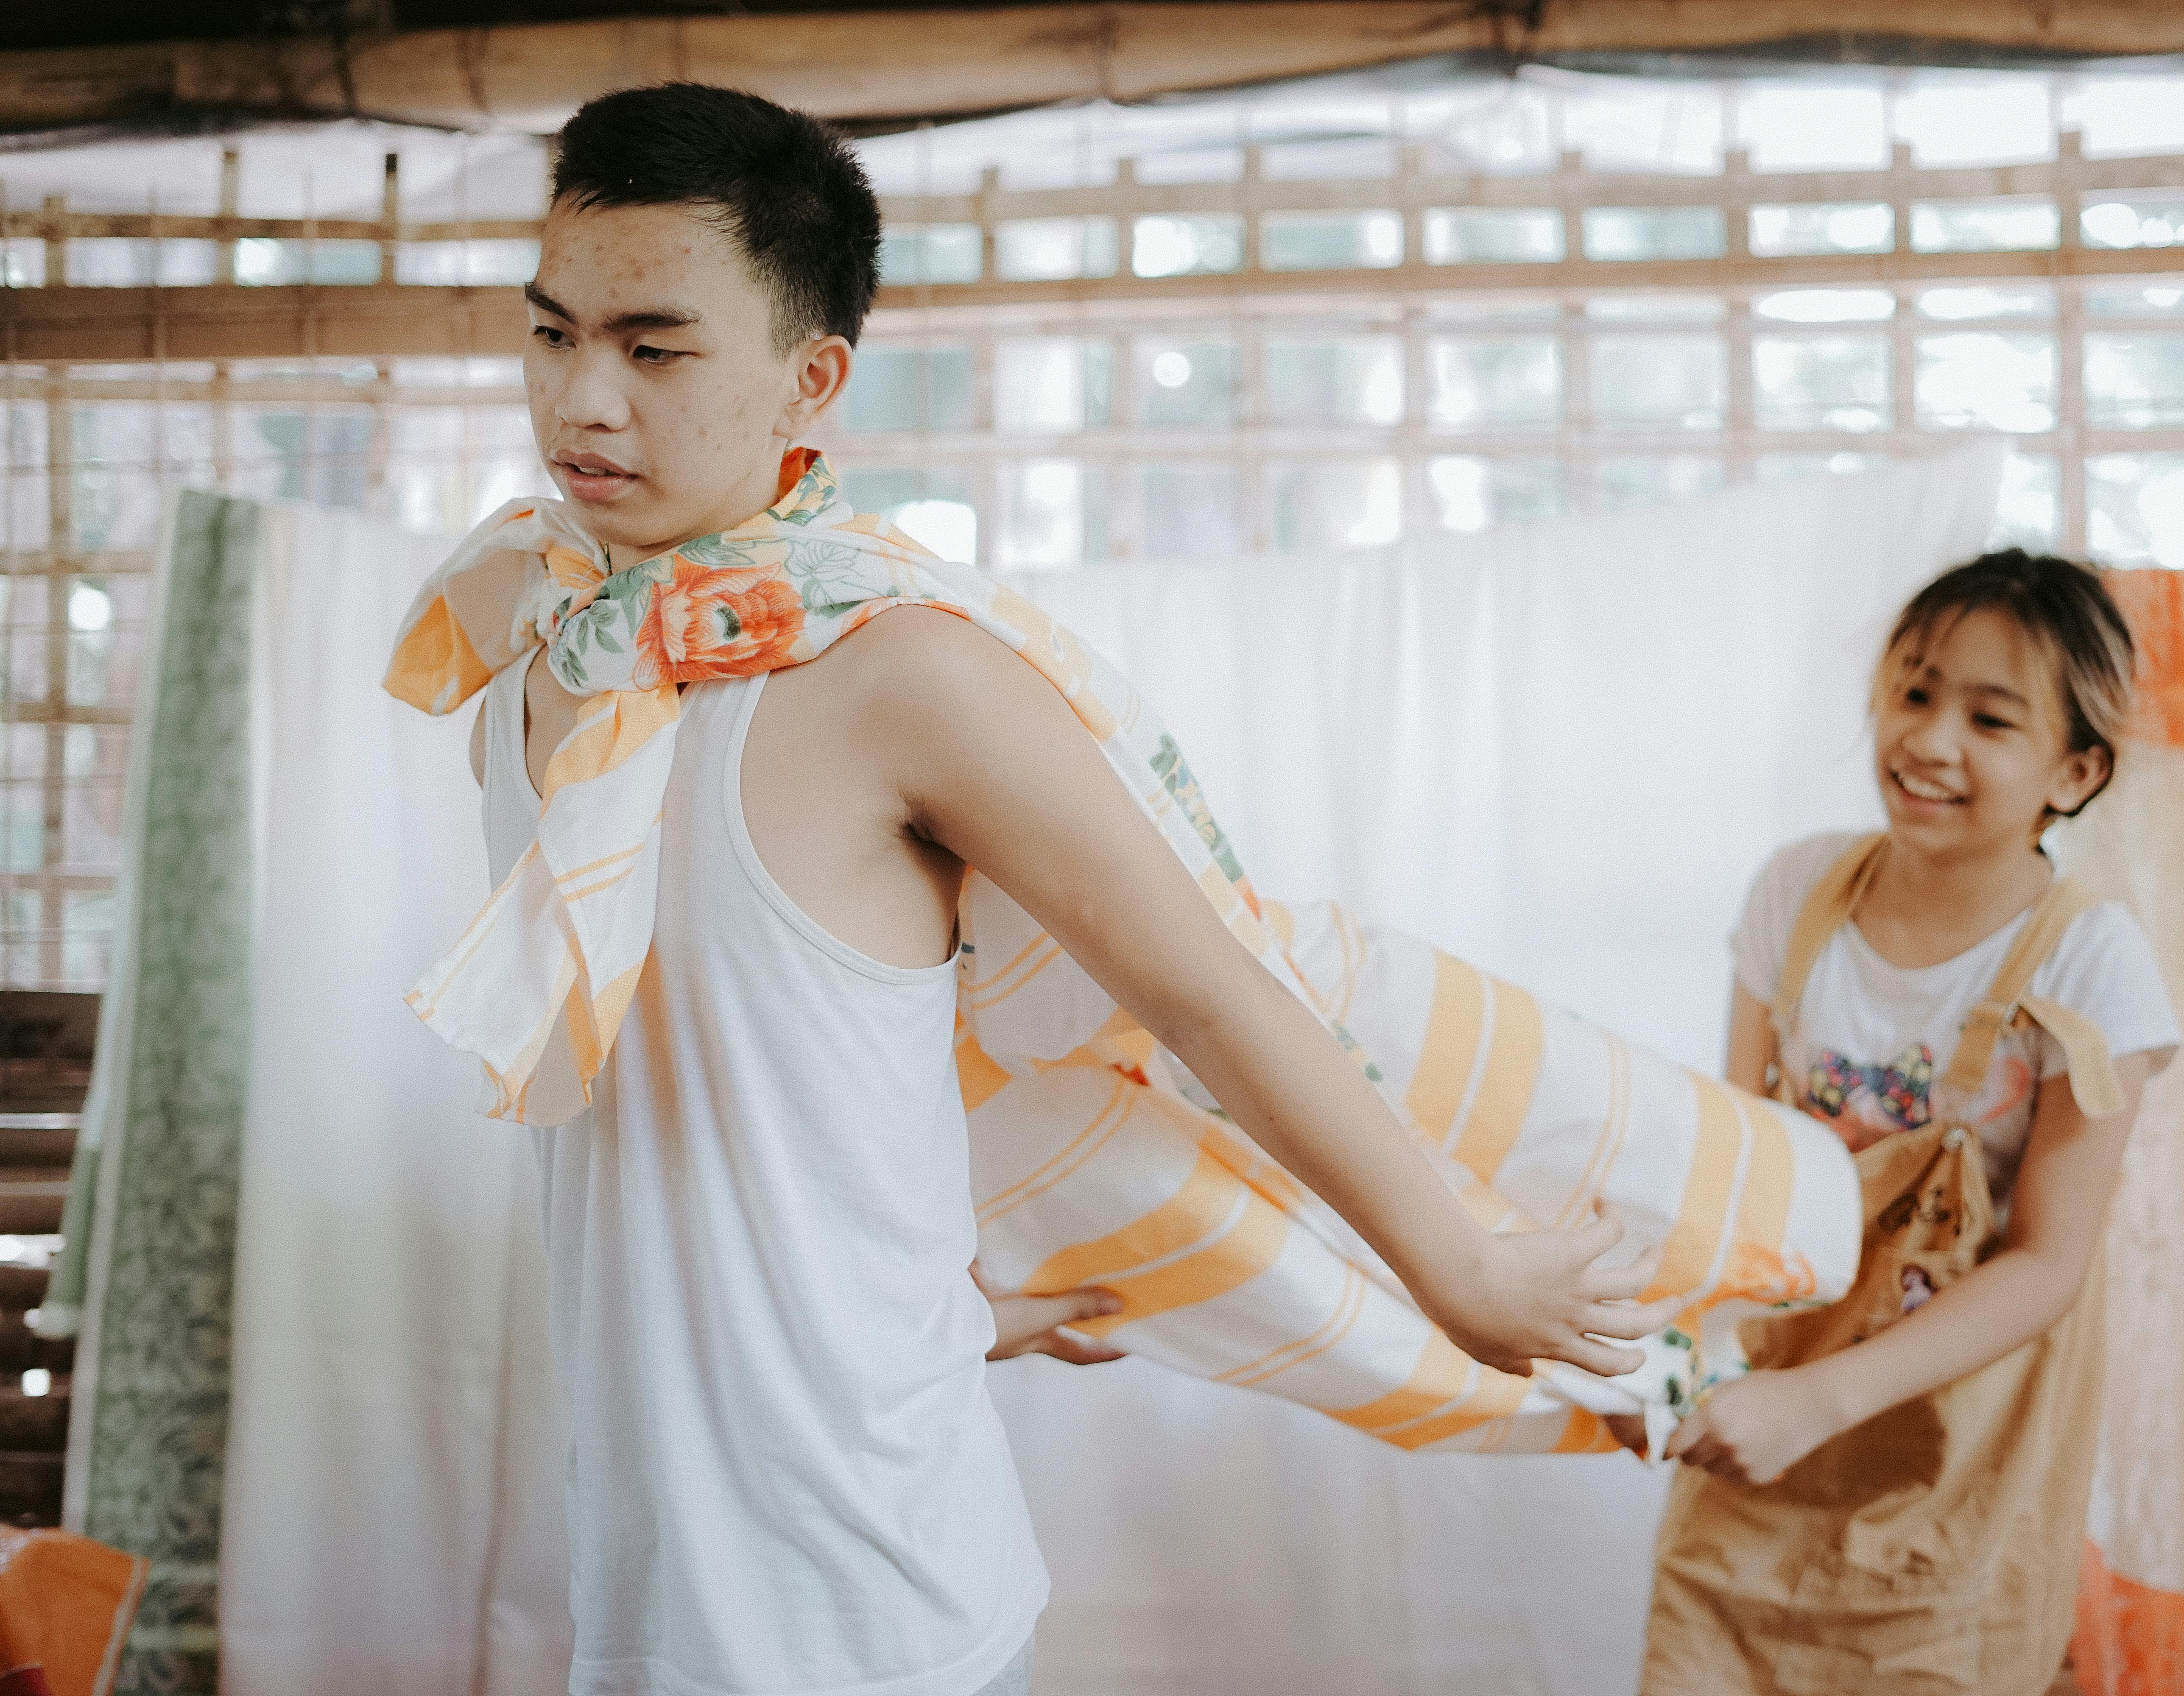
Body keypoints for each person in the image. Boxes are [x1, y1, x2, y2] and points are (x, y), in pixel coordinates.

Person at [389, 84, 1668, 1696]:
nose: (583, 401)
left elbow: (1203, 985)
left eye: (654, 349)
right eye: (551, 332)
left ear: (813, 380)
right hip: (642, 1584)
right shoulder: (535, 651)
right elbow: (720, 1098)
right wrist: (944, 1307)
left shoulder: (898, 673)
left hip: (870, 1606)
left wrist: (1464, 1271)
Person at [1641, 551, 2181, 1695]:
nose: (1930, 741)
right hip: (1759, 1431)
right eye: (1916, 691)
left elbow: (2048, 1262)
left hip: (1954, 1465)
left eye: (1991, 719)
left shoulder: (2094, 963)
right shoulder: (1796, 895)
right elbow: (1737, 1160)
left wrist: (1819, 1402)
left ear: (2075, 772)